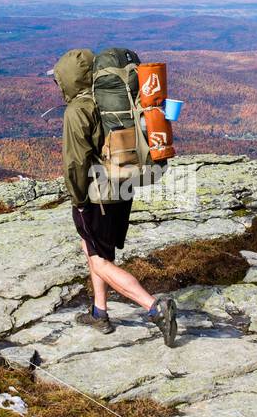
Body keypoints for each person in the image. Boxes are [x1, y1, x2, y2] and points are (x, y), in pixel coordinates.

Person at [52, 47, 178, 347]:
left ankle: (154, 307)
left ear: (69, 79)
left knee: (99, 260)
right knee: (98, 252)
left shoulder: (78, 110)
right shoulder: (108, 99)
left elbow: (75, 163)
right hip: (124, 187)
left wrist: (78, 199)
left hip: (98, 196)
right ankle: (100, 312)